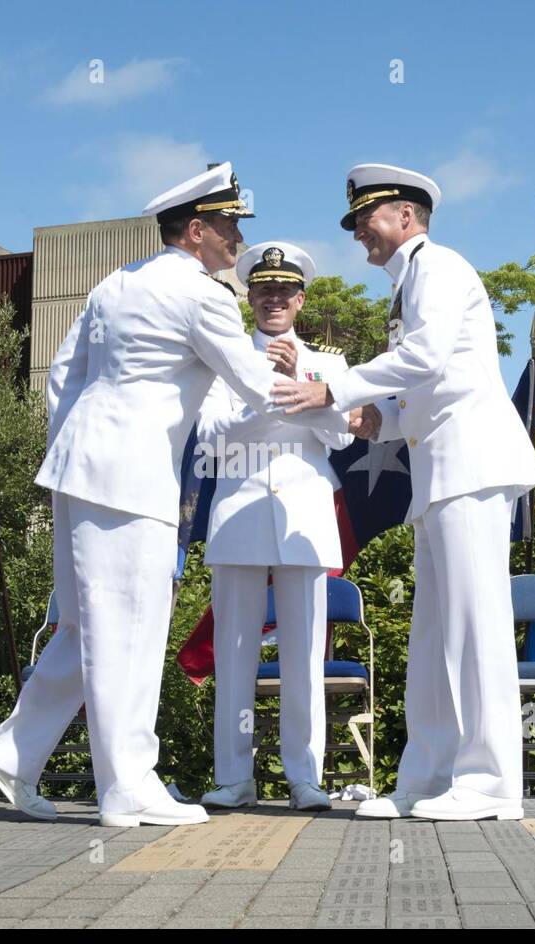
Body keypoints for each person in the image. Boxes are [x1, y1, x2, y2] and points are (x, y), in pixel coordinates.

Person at [0, 164, 356, 827]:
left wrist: (80, 446)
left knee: (88, 626)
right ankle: (127, 787)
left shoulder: (116, 282)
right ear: (198, 230)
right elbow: (253, 382)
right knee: (130, 628)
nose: (237, 238)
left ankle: (10, 755)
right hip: (131, 475)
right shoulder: (202, 296)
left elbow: (65, 375)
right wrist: (330, 394)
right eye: (230, 225)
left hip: (82, 468)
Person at [273, 164, 535, 821]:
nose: (358, 233)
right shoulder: (408, 286)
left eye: (365, 218)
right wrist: (378, 418)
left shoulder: (440, 267)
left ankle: (490, 785)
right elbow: (428, 388)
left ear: (405, 214)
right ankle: (427, 775)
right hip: (440, 470)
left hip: (470, 464)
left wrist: (335, 389)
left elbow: (425, 358)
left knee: (473, 627)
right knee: (433, 635)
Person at [197, 242, 352, 813]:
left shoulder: (328, 363)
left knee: (304, 655)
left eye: (285, 291)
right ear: (250, 298)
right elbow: (212, 437)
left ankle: (304, 776)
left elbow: (341, 436)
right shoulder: (225, 358)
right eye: (264, 290)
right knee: (235, 654)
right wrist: (269, 394)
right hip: (238, 515)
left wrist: (305, 380)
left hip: (305, 517)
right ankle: (233, 776)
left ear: (301, 299)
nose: (274, 299)